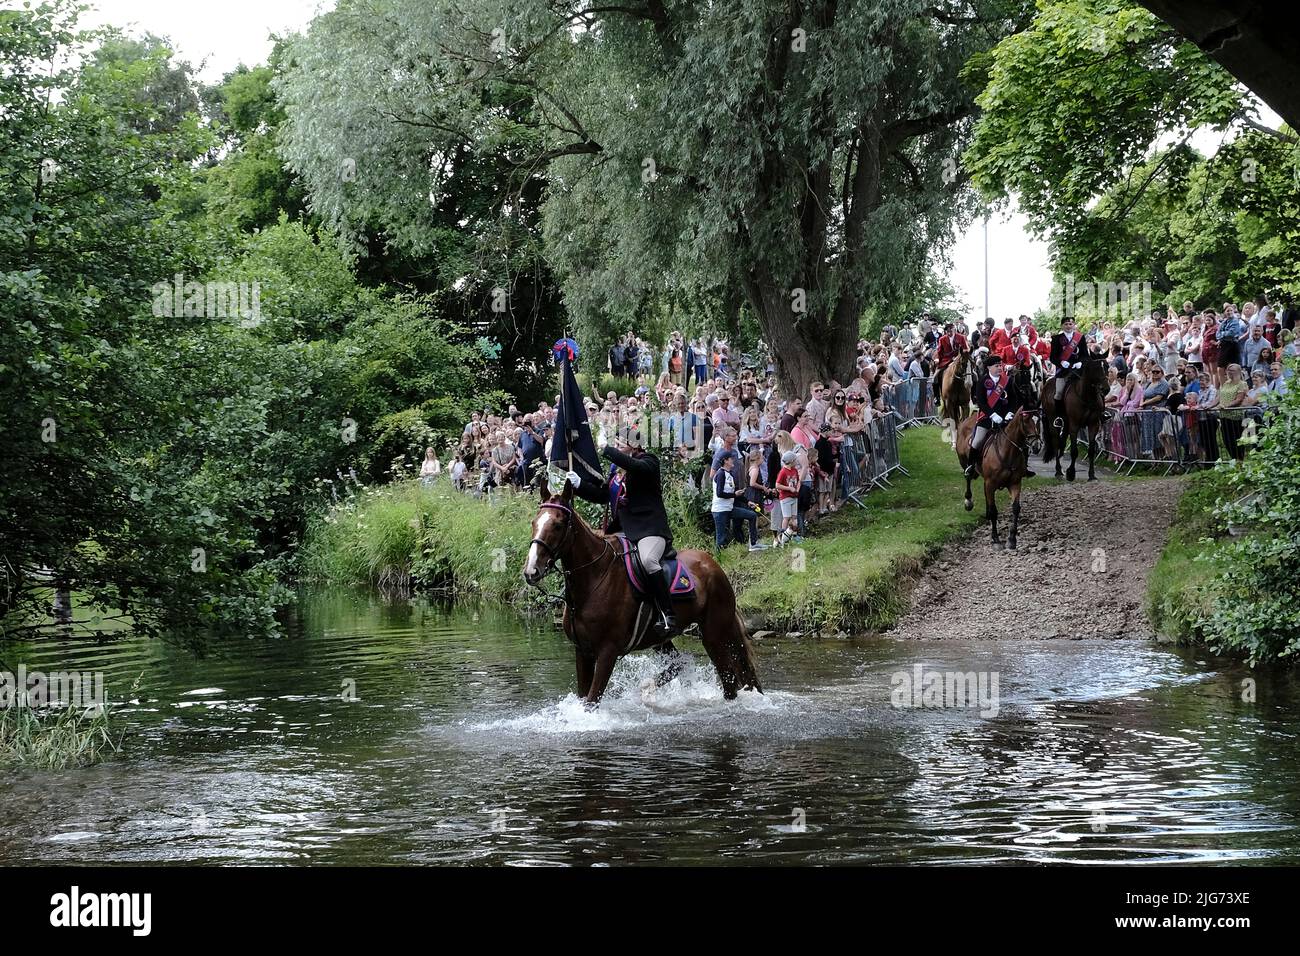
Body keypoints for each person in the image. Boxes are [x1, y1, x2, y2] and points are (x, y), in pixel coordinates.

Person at [585, 425, 679, 635]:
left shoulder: (649, 462)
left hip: (649, 529)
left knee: (648, 561)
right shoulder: (616, 472)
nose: (617, 445)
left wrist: (607, 449)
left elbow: (633, 465)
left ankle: (668, 614)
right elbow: (601, 496)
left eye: (620, 442)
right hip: (623, 531)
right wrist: (577, 484)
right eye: (616, 442)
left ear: (634, 444)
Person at [966, 353, 1011, 478]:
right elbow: (981, 402)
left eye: (1000, 365)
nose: (1000, 368)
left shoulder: (1007, 381)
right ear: (989, 368)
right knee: (977, 441)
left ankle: (1022, 467)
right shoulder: (982, 381)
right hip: (987, 418)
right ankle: (970, 466)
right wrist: (992, 415)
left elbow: (1014, 400)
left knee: (1019, 438)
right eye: (997, 366)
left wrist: (1010, 412)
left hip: (1005, 418)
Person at [1049, 315, 1086, 405]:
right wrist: (1061, 362)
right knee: (1059, 393)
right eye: (1066, 324)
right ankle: (1059, 417)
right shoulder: (1056, 339)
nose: (1069, 326)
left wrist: (1081, 362)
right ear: (1062, 326)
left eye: (1070, 324)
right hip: (1063, 372)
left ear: (1074, 325)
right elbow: (1052, 357)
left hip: (1078, 371)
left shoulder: (1080, 338)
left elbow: (1085, 355)